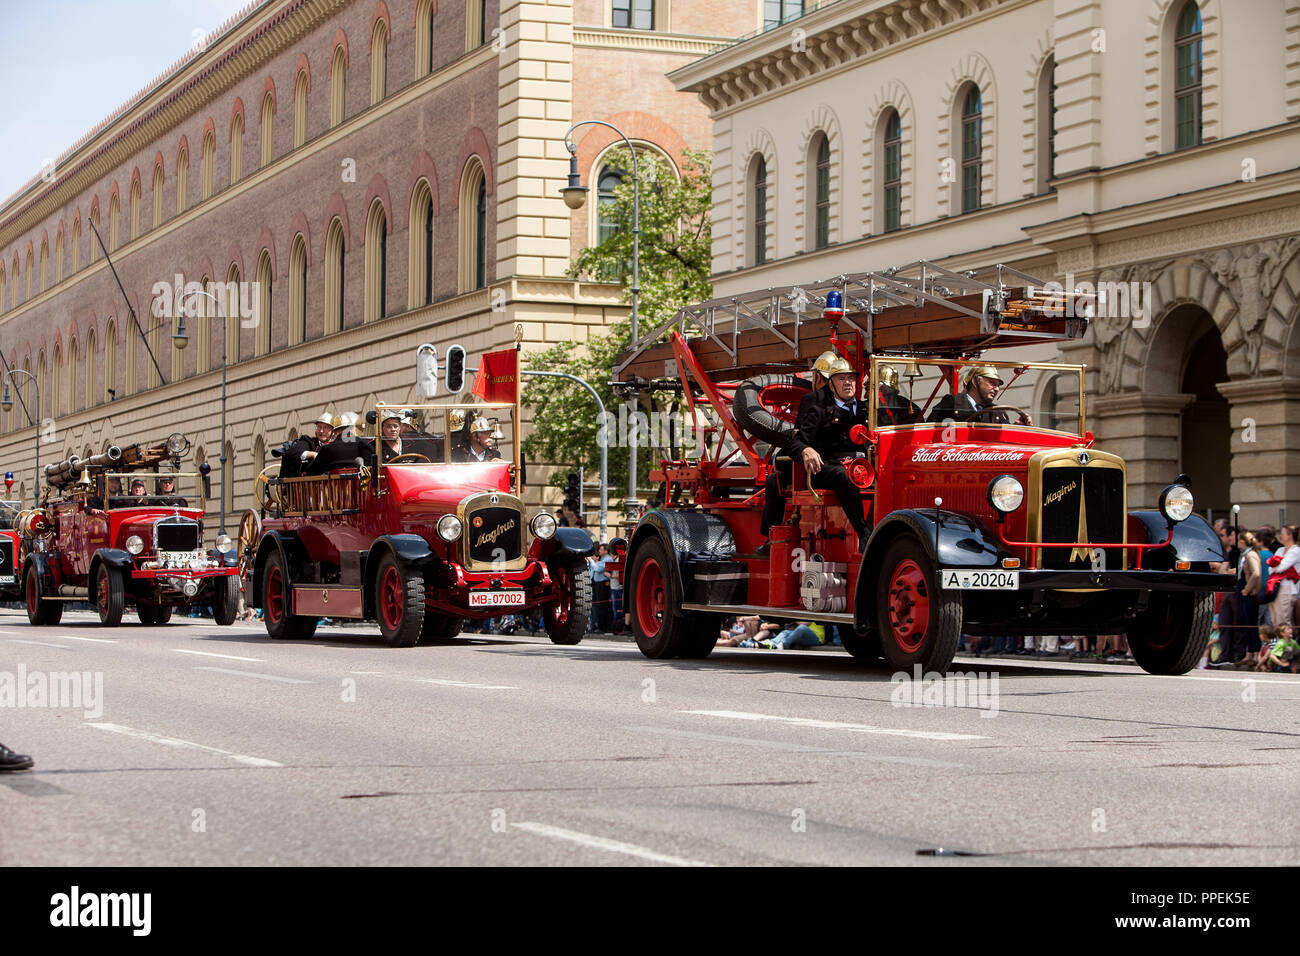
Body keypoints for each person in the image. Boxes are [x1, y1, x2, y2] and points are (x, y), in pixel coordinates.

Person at [787, 357, 872, 551]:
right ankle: (865, 533)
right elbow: (794, 442)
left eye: (851, 378)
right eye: (841, 379)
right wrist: (806, 450)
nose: (848, 383)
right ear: (831, 386)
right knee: (844, 476)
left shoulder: (868, 411)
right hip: (829, 468)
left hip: (863, 466)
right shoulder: (820, 412)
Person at [760, 351, 838, 543]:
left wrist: (778, 458)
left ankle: (772, 539)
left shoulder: (812, 399)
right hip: (841, 465)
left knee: (773, 481)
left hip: (815, 468)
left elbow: (801, 437)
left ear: (818, 377)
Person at [928, 365, 1032, 426]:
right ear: (975, 381)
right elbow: (929, 432)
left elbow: (1004, 444)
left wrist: (1017, 427)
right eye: (992, 383)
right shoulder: (952, 404)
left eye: (997, 385)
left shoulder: (998, 412)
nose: (996, 389)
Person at [589, 543, 613, 633]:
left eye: (601, 549)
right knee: (597, 605)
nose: (599, 551)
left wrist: (591, 561)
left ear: (606, 551)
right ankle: (597, 625)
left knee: (601, 605)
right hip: (597, 584)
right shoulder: (602, 559)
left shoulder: (608, 559)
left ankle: (602, 627)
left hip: (603, 584)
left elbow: (598, 568)